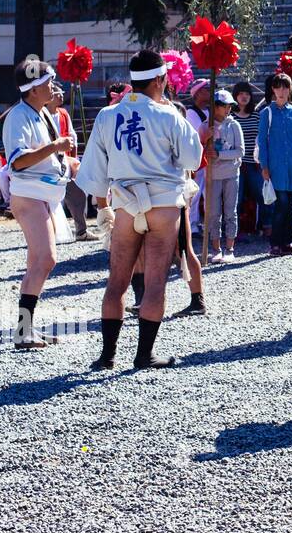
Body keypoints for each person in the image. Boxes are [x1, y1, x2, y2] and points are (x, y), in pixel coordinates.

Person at [78, 50, 203, 369]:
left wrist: (102, 205)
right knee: (156, 280)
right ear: (160, 80)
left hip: (125, 205)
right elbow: (192, 159)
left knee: (116, 280)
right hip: (163, 204)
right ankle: (144, 354)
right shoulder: (170, 114)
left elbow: (93, 173)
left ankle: (107, 356)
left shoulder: (108, 115)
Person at [4, 60, 76, 349]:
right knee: (45, 260)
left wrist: (68, 163)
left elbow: (43, 159)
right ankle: (23, 331)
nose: (53, 87)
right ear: (33, 88)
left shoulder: (40, 112)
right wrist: (56, 147)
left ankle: (26, 329)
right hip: (29, 194)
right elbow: (18, 161)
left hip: (41, 194)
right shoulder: (19, 116)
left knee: (36, 262)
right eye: (48, 82)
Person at [257, 72, 292, 257]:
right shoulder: (266, 113)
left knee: (291, 207)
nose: (281, 91)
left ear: (289, 89)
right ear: (273, 89)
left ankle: (288, 242)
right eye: (278, 86)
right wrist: (264, 166)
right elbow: (262, 141)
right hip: (276, 167)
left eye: (285, 87)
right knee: (281, 205)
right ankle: (275, 243)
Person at [47, 84, 93, 242]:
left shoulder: (63, 113)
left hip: (65, 162)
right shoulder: (41, 115)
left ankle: (81, 231)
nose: (61, 96)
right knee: (48, 201)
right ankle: (47, 235)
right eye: (57, 93)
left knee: (78, 192)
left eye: (61, 93)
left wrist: (72, 158)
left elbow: (72, 135)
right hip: (47, 164)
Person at [204, 89, 243, 262]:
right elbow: (197, 147)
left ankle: (230, 248)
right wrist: (205, 139)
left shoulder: (234, 125)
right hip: (212, 175)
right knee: (213, 212)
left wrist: (220, 155)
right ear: (215, 107)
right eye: (224, 106)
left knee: (230, 211)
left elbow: (240, 151)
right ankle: (215, 249)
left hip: (232, 173)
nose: (227, 109)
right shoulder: (206, 125)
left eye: (229, 106)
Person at [230, 82, 266, 242]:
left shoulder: (257, 115)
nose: (244, 97)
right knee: (235, 198)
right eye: (240, 94)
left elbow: (262, 138)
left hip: (254, 162)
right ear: (235, 96)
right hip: (235, 163)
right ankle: (234, 231)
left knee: (263, 194)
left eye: (247, 94)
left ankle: (267, 226)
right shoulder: (230, 116)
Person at [184, 79, 211, 234]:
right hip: (198, 156)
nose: (209, 91)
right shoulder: (191, 113)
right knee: (195, 191)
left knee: (209, 192)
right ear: (198, 92)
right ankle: (192, 224)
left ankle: (208, 223)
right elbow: (195, 134)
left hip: (210, 157)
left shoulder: (210, 111)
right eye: (206, 89)